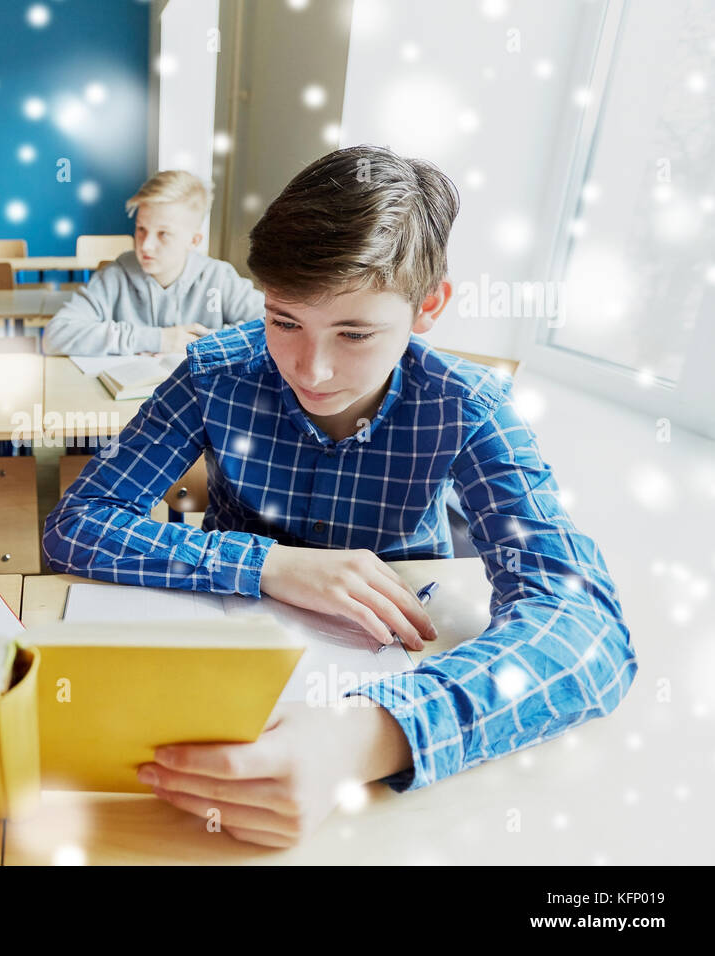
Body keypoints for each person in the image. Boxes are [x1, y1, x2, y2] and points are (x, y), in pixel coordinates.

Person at [43, 145, 636, 849]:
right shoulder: (215, 370)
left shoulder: (468, 405)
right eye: (283, 320)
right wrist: (267, 565)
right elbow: (75, 523)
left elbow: (586, 627)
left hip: (389, 702)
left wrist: (370, 734)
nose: (311, 369)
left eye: (355, 333)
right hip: (220, 685)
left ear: (429, 307)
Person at [42, 169, 263, 356]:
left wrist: (199, 343)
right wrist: (159, 340)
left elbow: (268, 326)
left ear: (193, 241)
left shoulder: (220, 277)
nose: (145, 245)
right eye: (141, 229)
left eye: (163, 234)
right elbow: (54, 336)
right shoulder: (114, 276)